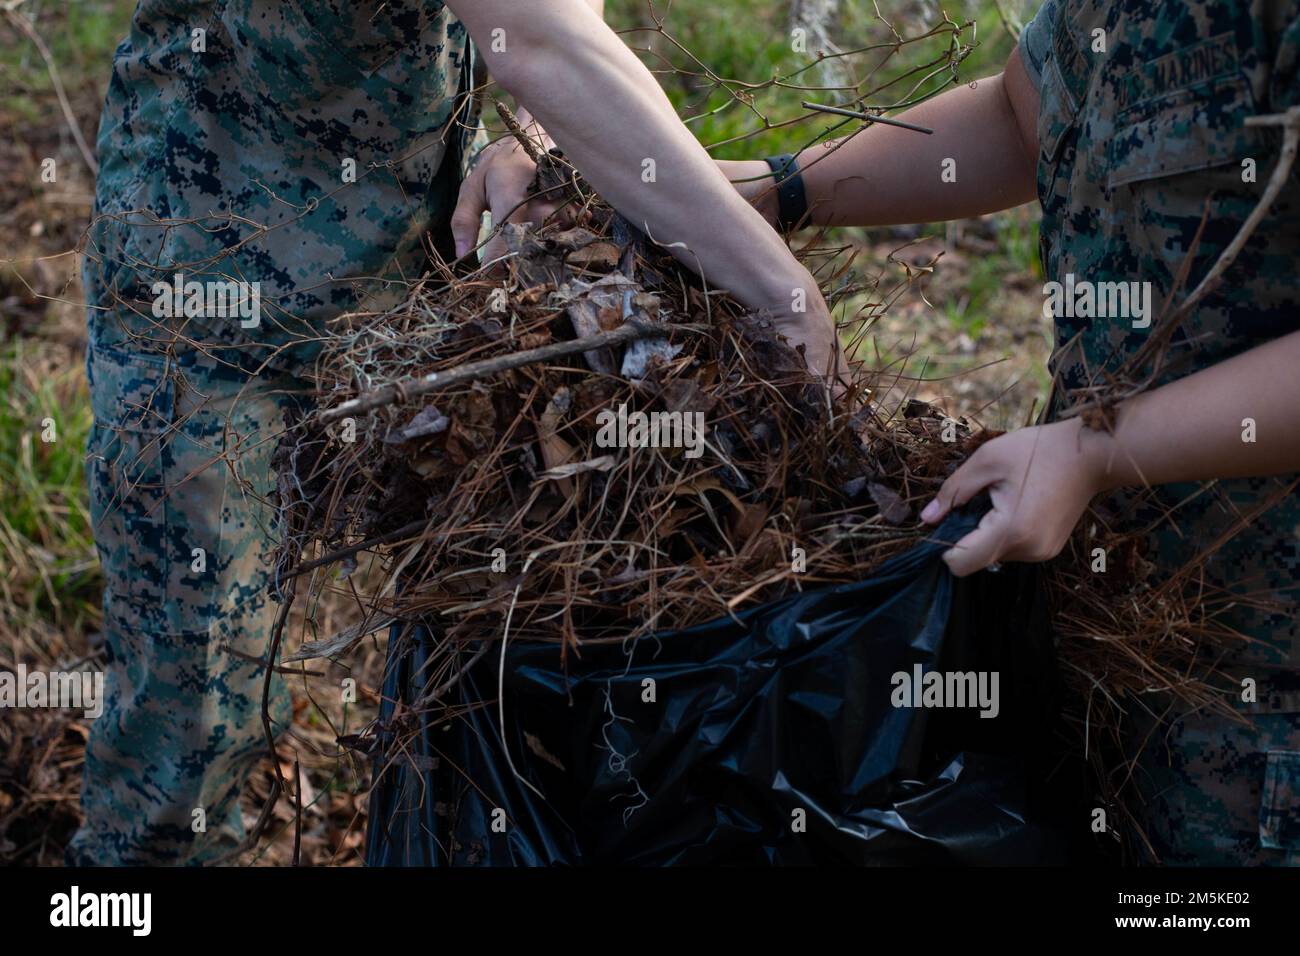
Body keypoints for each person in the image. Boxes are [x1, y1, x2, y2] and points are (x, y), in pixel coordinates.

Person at [71, 0, 836, 865]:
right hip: (213, 309)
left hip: (417, 289)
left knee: (467, 666)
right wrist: (782, 294)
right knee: (193, 718)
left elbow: (545, 22)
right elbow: (547, 40)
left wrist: (532, 134)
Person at [725, 0, 1300, 864]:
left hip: (1264, 710)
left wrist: (1096, 451)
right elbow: (1018, 115)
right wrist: (776, 192)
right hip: (1123, 627)